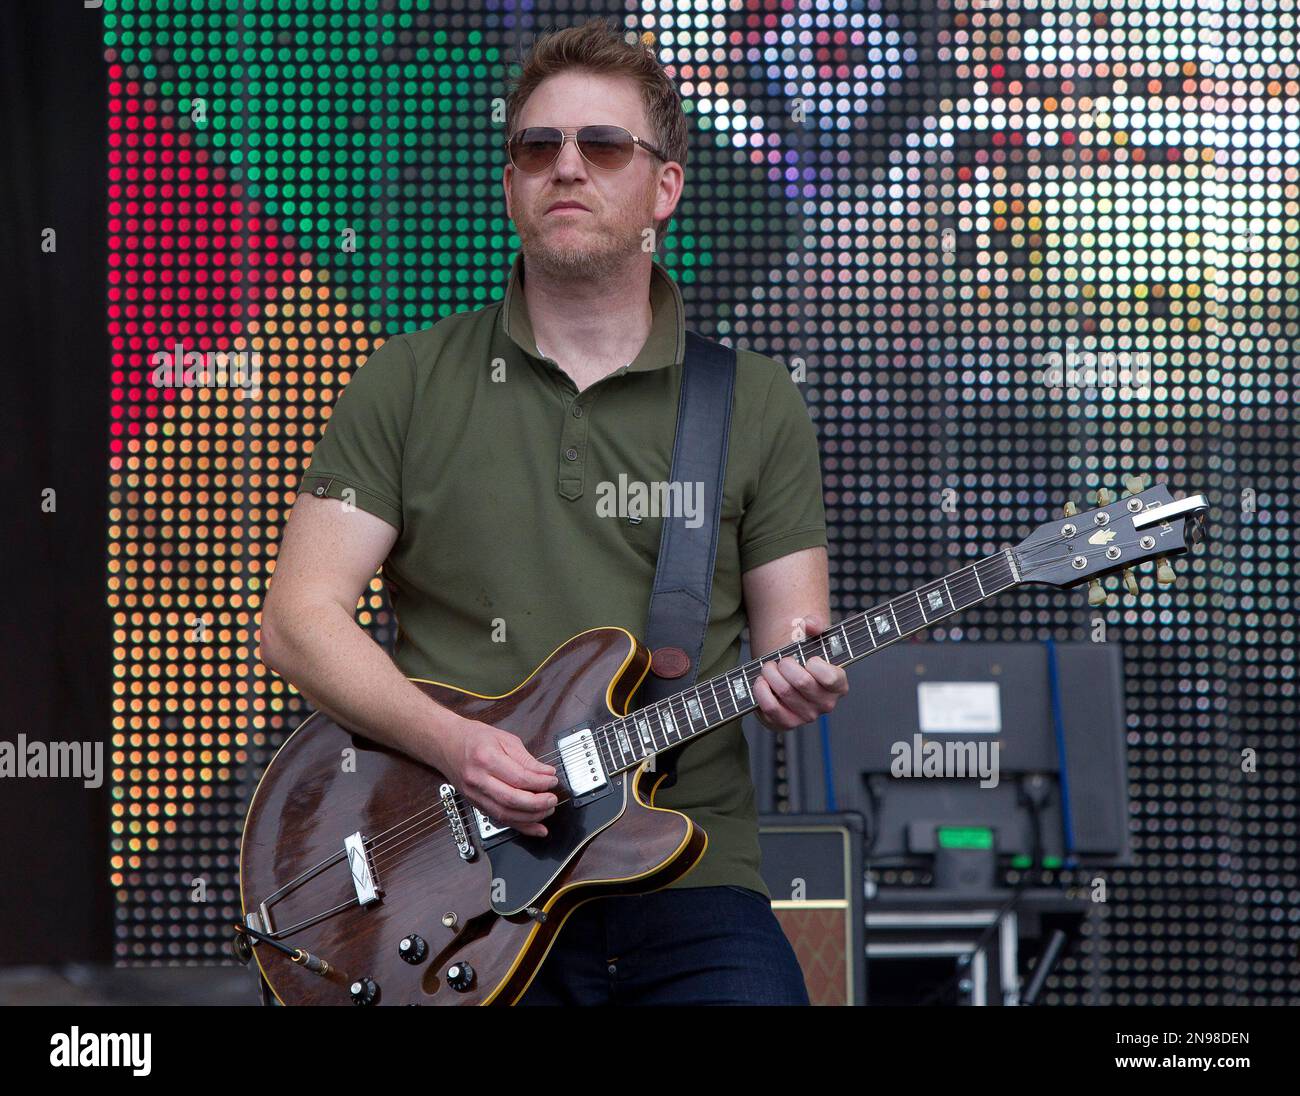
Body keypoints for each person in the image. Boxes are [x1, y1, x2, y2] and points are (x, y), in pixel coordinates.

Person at [259, 18, 848, 1006]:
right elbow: (297, 620)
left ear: (665, 186)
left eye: (602, 146)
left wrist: (801, 671)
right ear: (509, 184)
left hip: (687, 879)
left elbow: (793, 627)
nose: (565, 167)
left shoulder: (751, 399)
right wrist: (458, 746)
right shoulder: (407, 379)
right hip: (446, 885)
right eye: (538, 147)